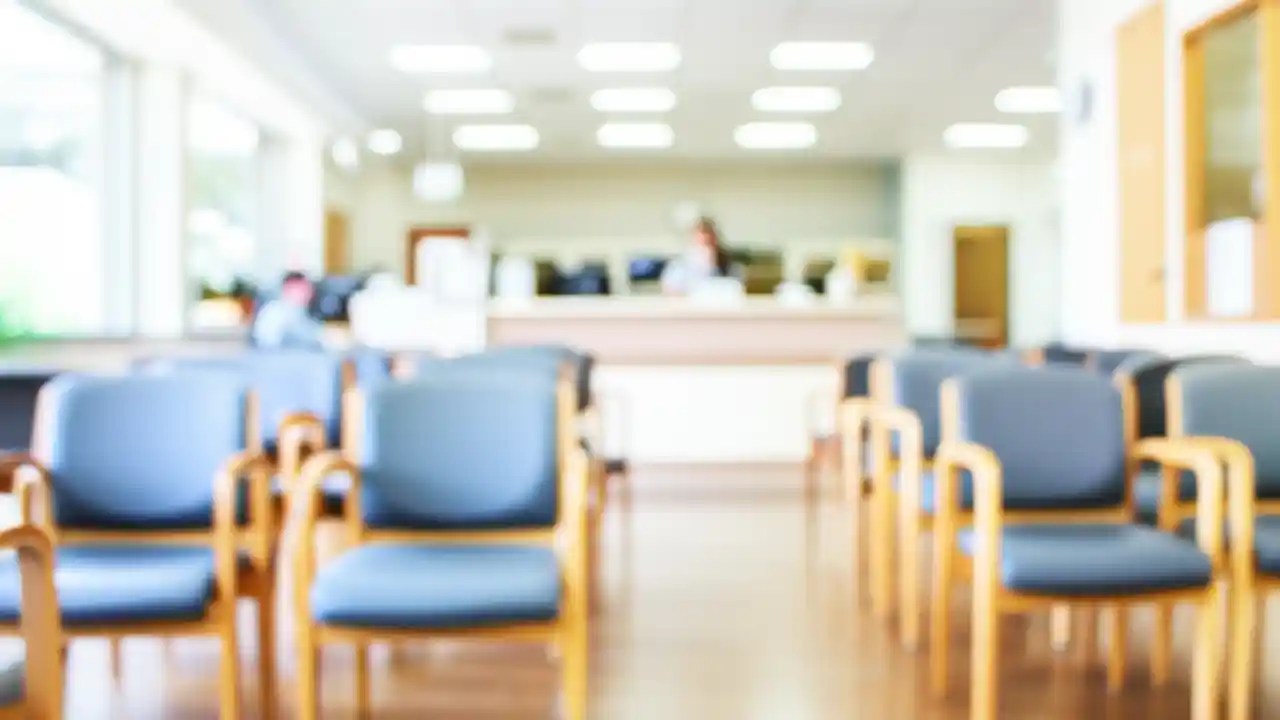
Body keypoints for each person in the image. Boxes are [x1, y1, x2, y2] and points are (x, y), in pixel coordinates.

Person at [660, 217, 735, 295]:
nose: (707, 238)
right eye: (703, 234)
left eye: (711, 235)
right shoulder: (681, 263)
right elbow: (670, 288)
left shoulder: (725, 262)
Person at [251, 271, 324, 349]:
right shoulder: (274, 312)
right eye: (303, 289)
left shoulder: (299, 311)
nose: (308, 293)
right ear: (287, 288)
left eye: (309, 289)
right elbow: (269, 344)